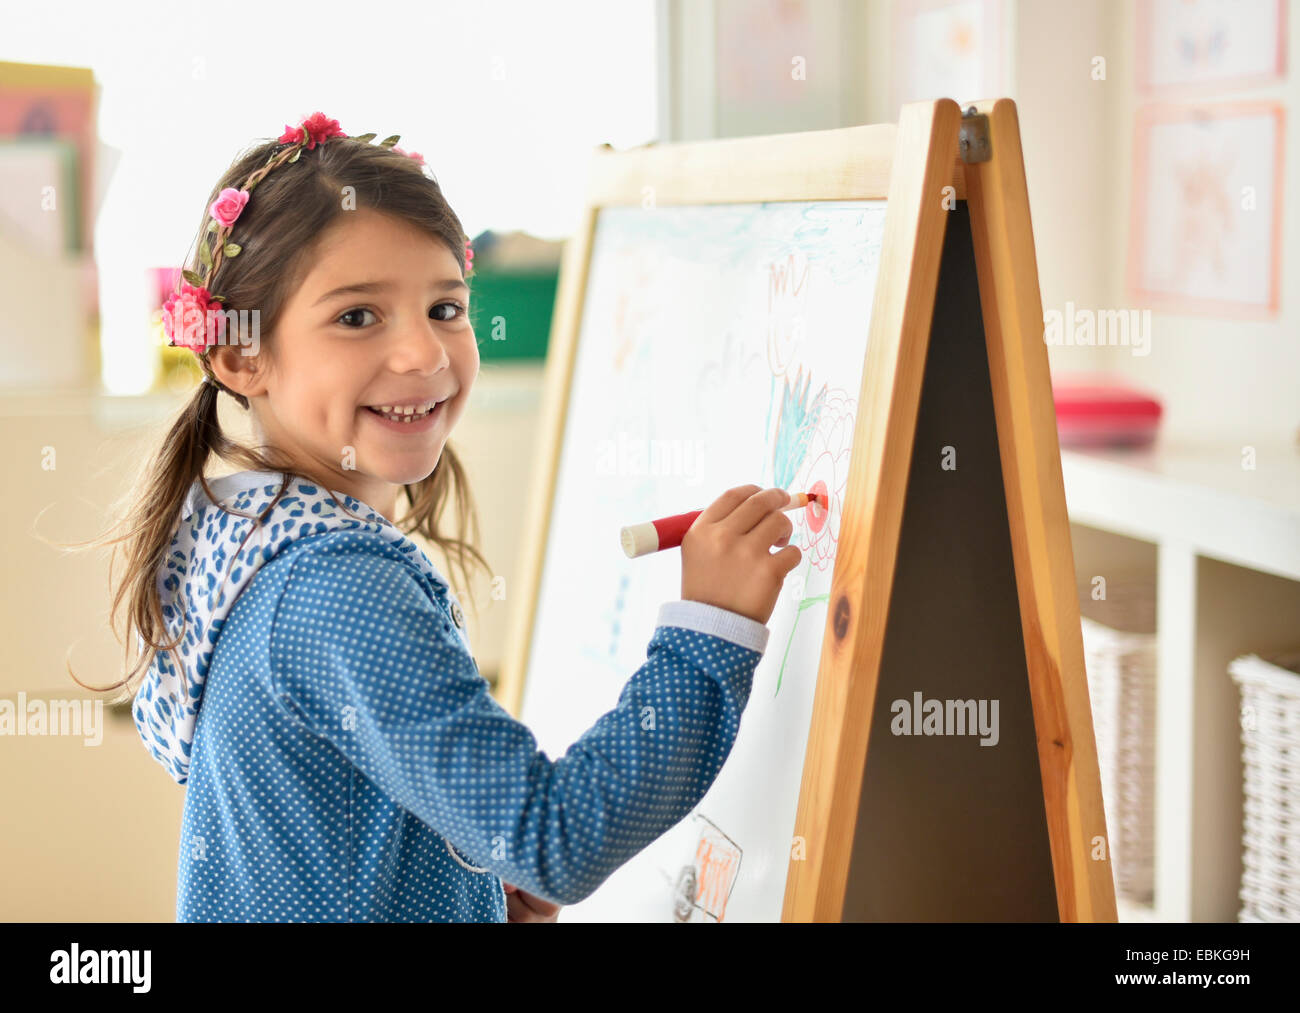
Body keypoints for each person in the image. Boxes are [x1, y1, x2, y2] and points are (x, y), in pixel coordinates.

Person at [92, 111, 802, 923]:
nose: (425, 355)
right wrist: (711, 627)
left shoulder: (248, 530)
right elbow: (553, 841)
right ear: (240, 355)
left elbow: (338, 833)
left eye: (445, 308)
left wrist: (463, 890)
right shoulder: (338, 589)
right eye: (358, 316)